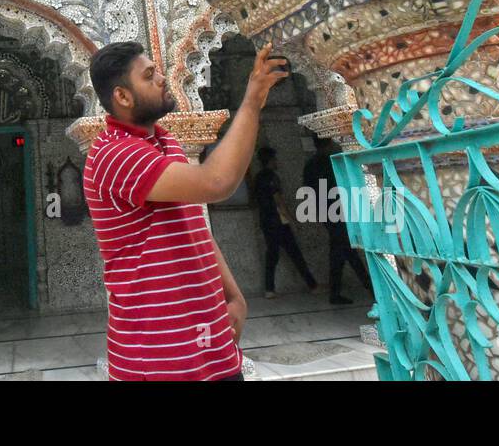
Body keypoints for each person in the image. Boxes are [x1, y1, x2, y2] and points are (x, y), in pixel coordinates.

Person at [83, 40, 288, 381]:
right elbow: (216, 182)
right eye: (149, 75)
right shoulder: (113, 154)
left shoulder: (165, 143)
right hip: (159, 359)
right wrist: (251, 103)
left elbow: (193, 228)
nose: (162, 78)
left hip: (213, 350)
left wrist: (234, 296)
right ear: (122, 96)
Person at [302, 138, 370, 305]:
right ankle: (372, 289)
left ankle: (338, 292)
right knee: (346, 250)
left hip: (326, 213)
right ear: (328, 144)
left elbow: (308, 190)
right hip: (338, 211)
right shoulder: (332, 161)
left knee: (340, 251)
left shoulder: (310, 164)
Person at [252, 147, 317, 297]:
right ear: (270, 160)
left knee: (272, 254)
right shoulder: (272, 177)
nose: (277, 162)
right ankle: (312, 285)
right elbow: (279, 201)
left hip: (266, 220)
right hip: (278, 221)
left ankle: (269, 289)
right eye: (275, 159)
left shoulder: (258, 178)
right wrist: (292, 220)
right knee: (295, 254)